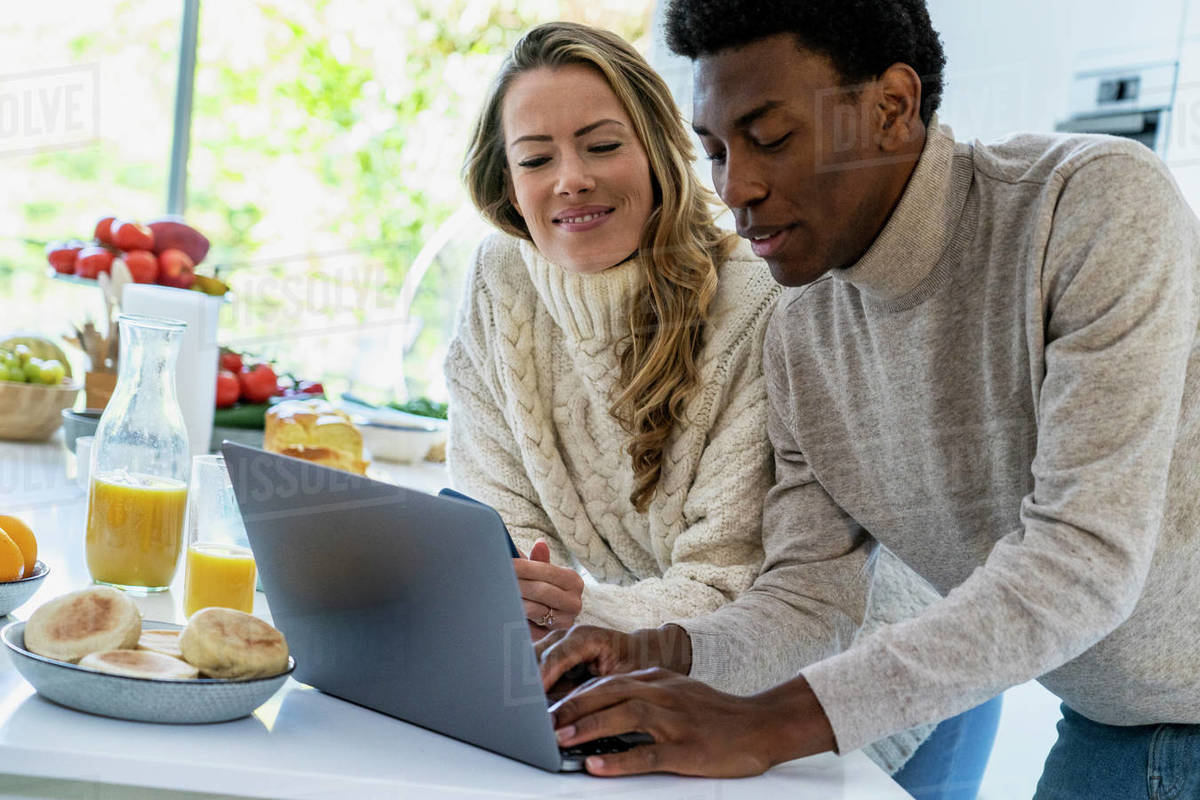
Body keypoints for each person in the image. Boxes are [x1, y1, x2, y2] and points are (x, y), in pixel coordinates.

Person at [537, 2, 1200, 798]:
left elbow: (1084, 560)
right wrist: (662, 650)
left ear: (891, 107)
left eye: (771, 138)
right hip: (1108, 720)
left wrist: (766, 724)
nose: (735, 186)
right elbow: (810, 596)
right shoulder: (801, 334)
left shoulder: (1089, 205)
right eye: (714, 150)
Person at [448, 20, 950, 778]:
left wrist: (573, 609)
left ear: (658, 152)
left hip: (866, 664)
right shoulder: (498, 284)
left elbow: (731, 586)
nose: (570, 178)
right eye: (535, 158)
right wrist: (525, 596)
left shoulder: (763, 305)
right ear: (506, 186)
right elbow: (497, 532)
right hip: (666, 662)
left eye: (602, 144)